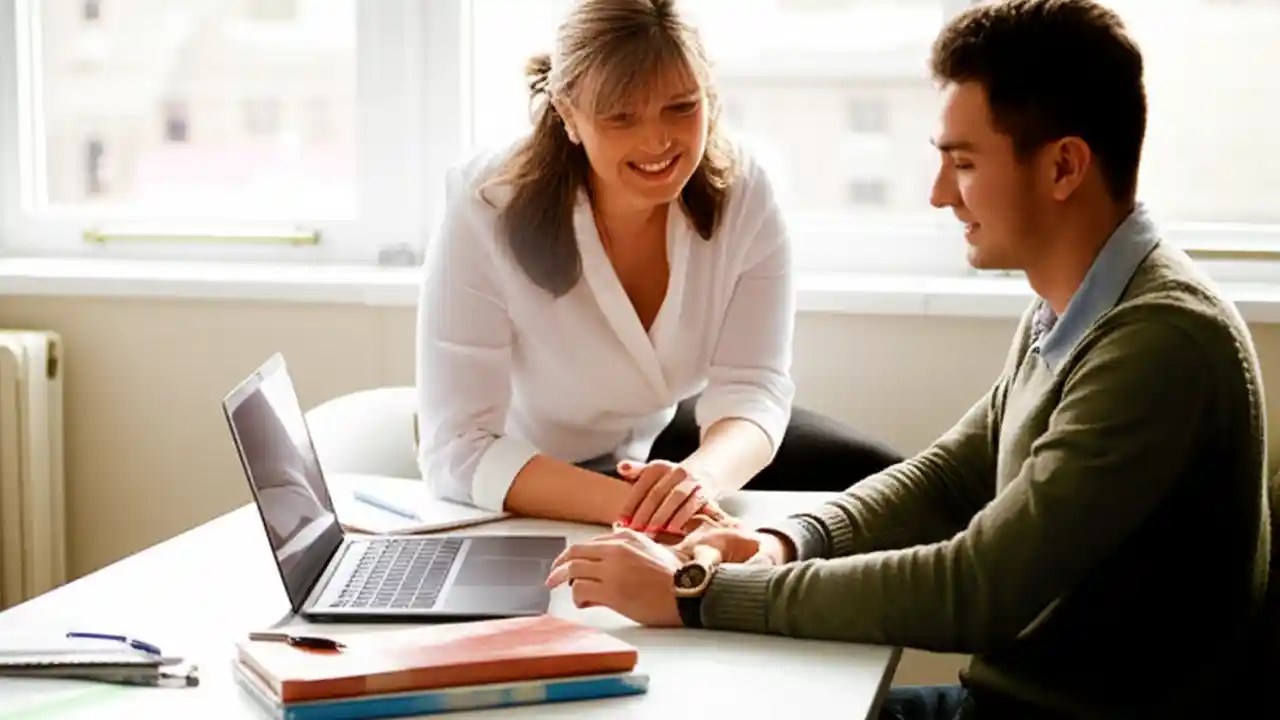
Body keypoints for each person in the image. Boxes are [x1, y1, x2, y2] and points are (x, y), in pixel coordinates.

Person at [545, 1, 1271, 717]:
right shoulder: (1074, 306)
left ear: (1064, 167)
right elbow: (952, 476)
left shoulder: (1157, 343)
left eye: (962, 163)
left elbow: (976, 589)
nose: (937, 195)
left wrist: (695, 596)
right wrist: (781, 541)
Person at [415, 0, 901, 535]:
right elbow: (457, 449)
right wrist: (644, 511)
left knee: (883, 479)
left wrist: (697, 482)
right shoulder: (487, 206)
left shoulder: (744, 191)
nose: (657, 141)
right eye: (621, 116)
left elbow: (753, 386)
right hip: (532, 476)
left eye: (681, 107)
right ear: (568, 114)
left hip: (665, 452)